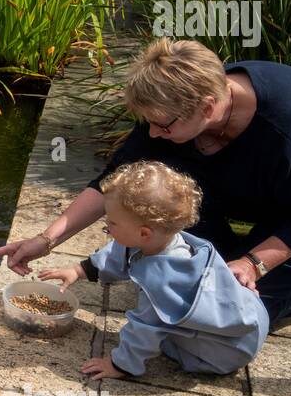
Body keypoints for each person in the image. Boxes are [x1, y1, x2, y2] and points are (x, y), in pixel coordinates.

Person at [0, 38, 291, 326]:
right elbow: (113, 180)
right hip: (253, 193)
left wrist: (252, 264)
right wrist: (46, 239)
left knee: (236, 309)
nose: (154, 134)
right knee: (197, 279)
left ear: (208, 106)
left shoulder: (288, 126)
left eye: (163, 126)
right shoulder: (173, 111)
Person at [39, 161, 268, 379]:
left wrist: (120, 364)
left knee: (161, 329)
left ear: (144, 233)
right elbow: (122, 251)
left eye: (113, 224)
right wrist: (79, 270)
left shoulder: (164, 281)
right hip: (252, 316)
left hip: (226, 351)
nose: (107, 227)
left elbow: (145, 329)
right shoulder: (164, 239)